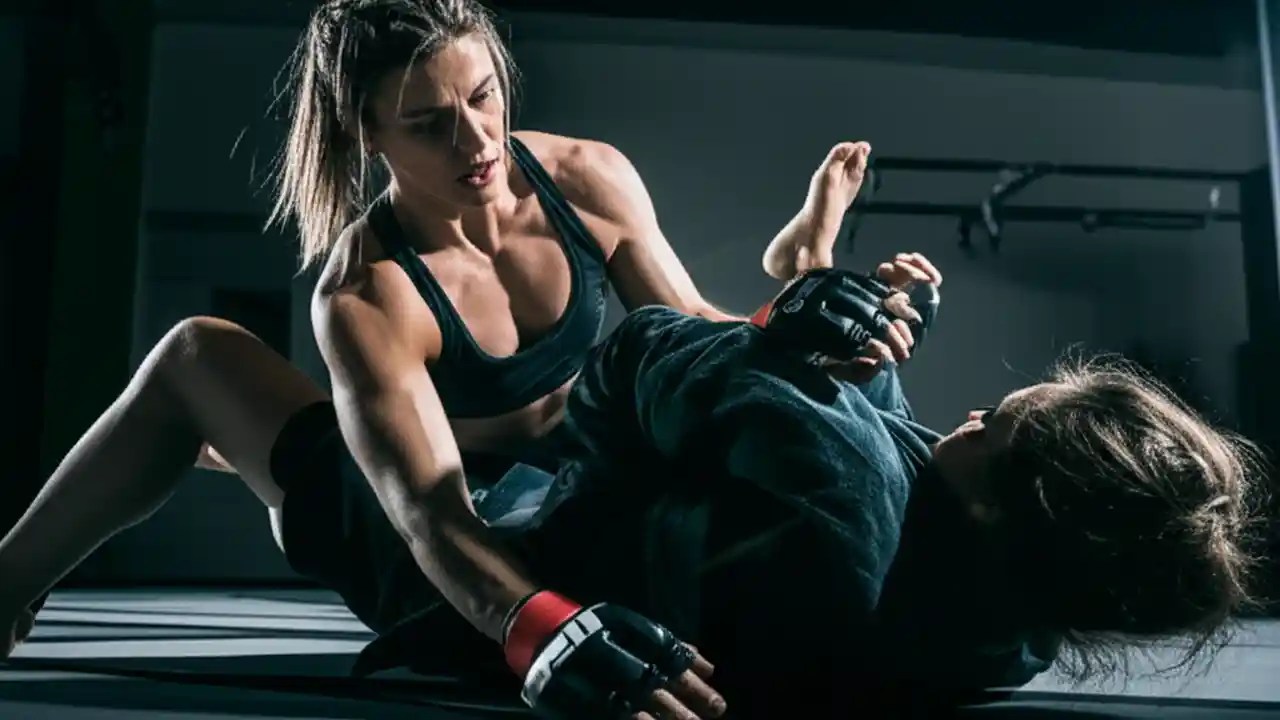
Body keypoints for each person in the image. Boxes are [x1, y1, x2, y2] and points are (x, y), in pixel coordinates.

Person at [0, 0, 884, 716]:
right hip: (435, 527)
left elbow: (689, 334)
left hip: (575, 481)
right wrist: (539, 628)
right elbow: (430, 515)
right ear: (368, 135)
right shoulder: (366, 292)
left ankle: (229, 442)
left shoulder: (587, 178)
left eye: (484, 97)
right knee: (196, 355)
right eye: (429, 124)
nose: (477, 142)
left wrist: (802, 318)